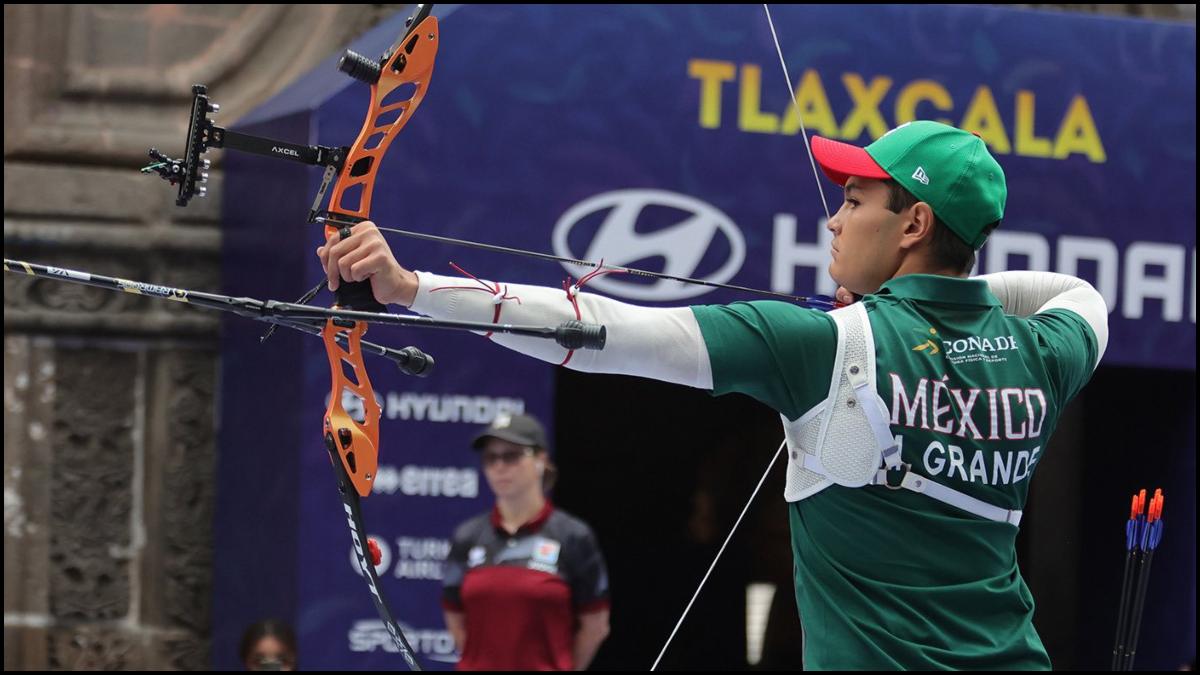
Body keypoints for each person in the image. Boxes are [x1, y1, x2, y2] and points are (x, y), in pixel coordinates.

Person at [317, 120, 1109, 669]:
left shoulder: (830, 345)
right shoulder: (1040, 352)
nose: (835, 221)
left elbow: (603, 331)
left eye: (857, 202)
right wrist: (949, 301)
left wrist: (411, 288)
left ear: (915, 224)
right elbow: (1079, 296)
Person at [440, 412, 611, 670]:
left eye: (511, 455)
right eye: (490, 457)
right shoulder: (467, 536)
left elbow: (595, 625)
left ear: (541, 460)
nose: (499, 466)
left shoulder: (573, 536)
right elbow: (455, 616)